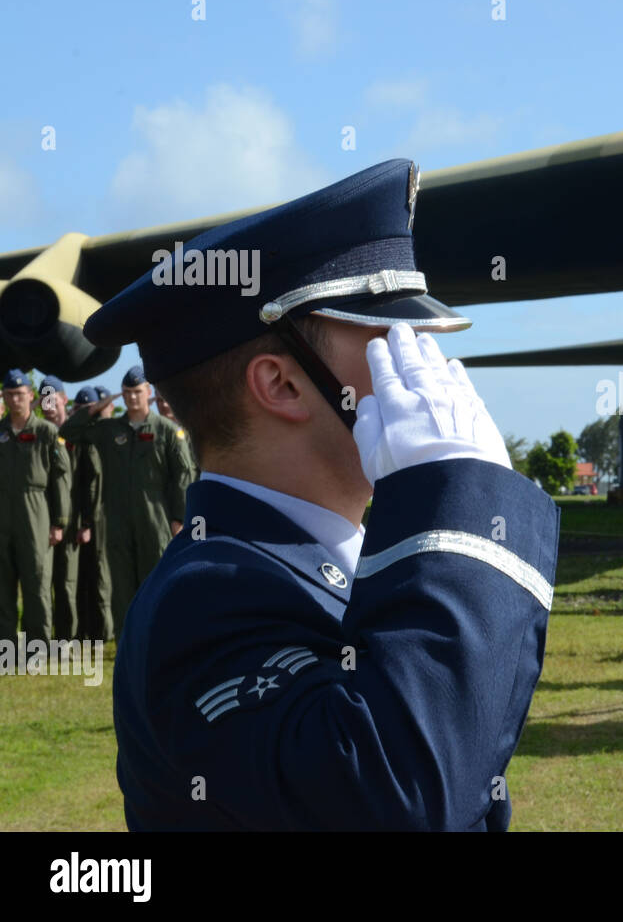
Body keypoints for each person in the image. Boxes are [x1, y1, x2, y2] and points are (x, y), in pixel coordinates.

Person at [88, 158, 556, 831]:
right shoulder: (204, 600)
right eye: (391, 338)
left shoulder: (334, 560)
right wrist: (458, 512)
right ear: (280, 383)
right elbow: (400, 798)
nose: (430, 369)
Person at [59, 365, 196, 633]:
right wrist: (98, 407)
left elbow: (183, 476)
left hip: (155, 520)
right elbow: (68, 432)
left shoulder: (167, 430)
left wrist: (178, 518)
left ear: (148, 392)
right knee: (122, 589)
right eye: (126, 392)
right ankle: (127, 646)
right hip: (117, 520)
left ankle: (160, 644)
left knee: (157, 585)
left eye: (137, 391)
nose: (132, 397)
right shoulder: (109, 429)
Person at [0, 369, 70, 655]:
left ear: (31, 396)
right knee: (3, 587)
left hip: (36, 513)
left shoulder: (46, 432)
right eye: (10, 394)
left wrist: (58, 521)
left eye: (20, 394)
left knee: (37, 583)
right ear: (4, 397)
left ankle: (37, 649)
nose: (16, 399)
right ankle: (6, 650)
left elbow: (61, 478)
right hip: (3, 515)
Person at [39, 374, 83, 640]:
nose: (49, 405)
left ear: (64, 399)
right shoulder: (38, 433)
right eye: (43, 399)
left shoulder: (77, 432)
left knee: (67, 581)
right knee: (41, 581)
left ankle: (68, 638)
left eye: (52, 398)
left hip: (73, 517)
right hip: (41, 516)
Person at [69, 387, 113, 640]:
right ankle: (87, 630)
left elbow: (95, 484)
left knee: (101, 575)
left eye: (91, 408)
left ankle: (104, 632)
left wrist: (88, 520)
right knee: (85, 575)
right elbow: (67, 431)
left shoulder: (103, 433)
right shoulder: (84, 435)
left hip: (102, 515)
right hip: (85, 515)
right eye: (80, 409)